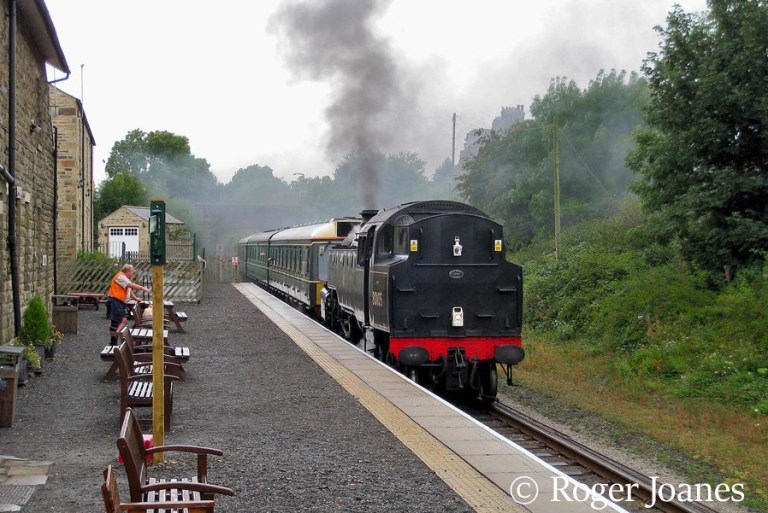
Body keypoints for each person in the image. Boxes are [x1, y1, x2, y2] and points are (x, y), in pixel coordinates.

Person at [106, 264, 150, 345]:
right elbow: (130, 285)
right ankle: (114, 339)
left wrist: (135, 298)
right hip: (115, 301)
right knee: (119, 321)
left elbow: (129, 289)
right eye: (132, 272)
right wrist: (143, 288)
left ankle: (114, 338)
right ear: (128, 271)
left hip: (119, 302)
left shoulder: (124, 278)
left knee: (120, 321)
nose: (133, 274)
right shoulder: (120, 277)